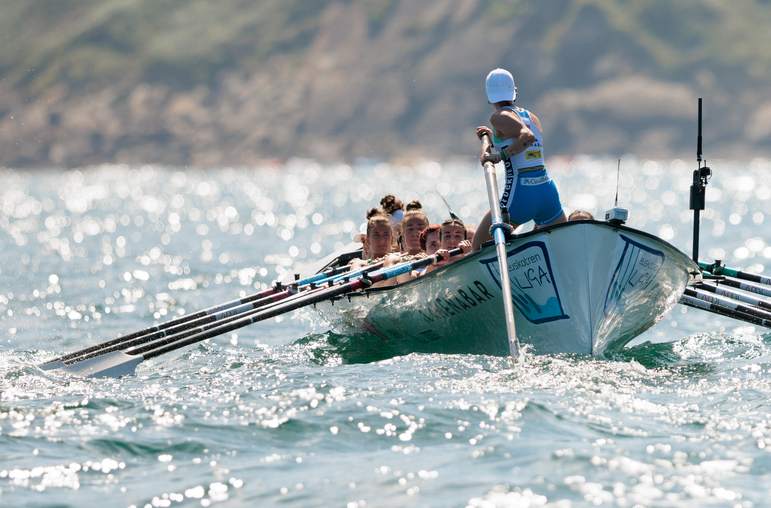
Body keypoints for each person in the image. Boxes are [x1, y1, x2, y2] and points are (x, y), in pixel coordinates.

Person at [471, 68, 567, 251]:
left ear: (489, 96)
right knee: (563, 246)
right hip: (547, 191)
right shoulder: (532, 116)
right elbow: (525, 147)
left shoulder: (498, 117)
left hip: (522, 193)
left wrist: (498, 156)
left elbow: (527, 137)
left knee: (478, 247)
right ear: (514, 91)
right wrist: (494, 138)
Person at [349, 209, 405, 286]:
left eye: (386, 234)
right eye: (376, 235)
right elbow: (355, 283)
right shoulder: (359, 264)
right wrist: (372, 266)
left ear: (392, 239)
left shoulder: (399, 259)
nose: (381, 240)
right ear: (368, 240)